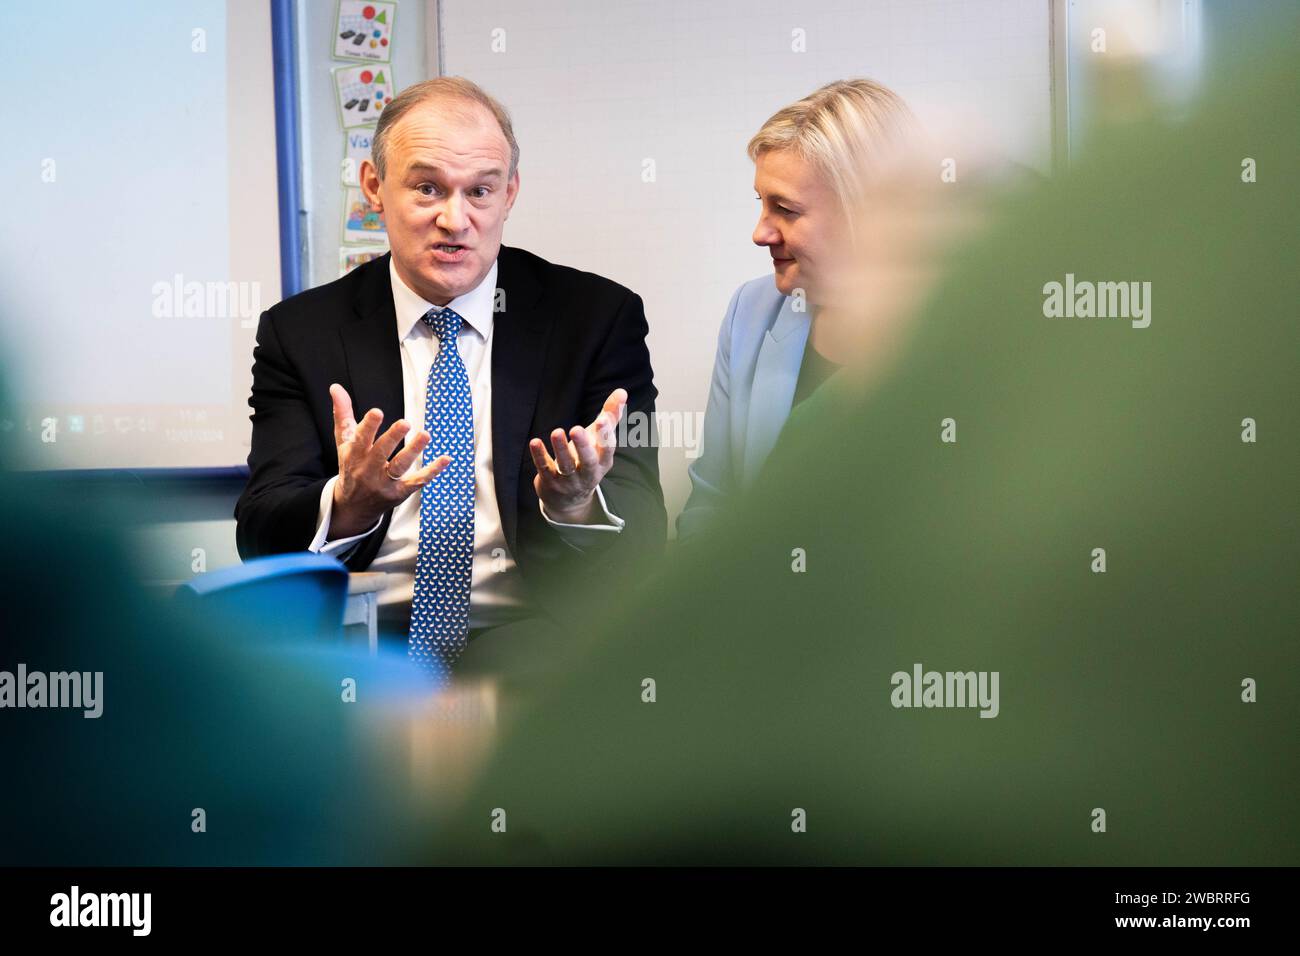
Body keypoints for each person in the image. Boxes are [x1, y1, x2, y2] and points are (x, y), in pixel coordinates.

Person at [234, 77, 666, 678]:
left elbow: (645, 532)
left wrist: (576, 504)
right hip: (362, 639)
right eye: (427, 188)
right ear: (374, 188)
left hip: (532, 634)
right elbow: (259, 534)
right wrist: (348, 505)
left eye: (480, 191)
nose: (454, 219)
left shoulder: (595, 319)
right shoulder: (300, 333)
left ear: (510, 193)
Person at [677, 79, 917, 540]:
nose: (760, 233)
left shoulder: (955, 330)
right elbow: (712, 505)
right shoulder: (751, 312)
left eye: (785, 210)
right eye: (761, 204)